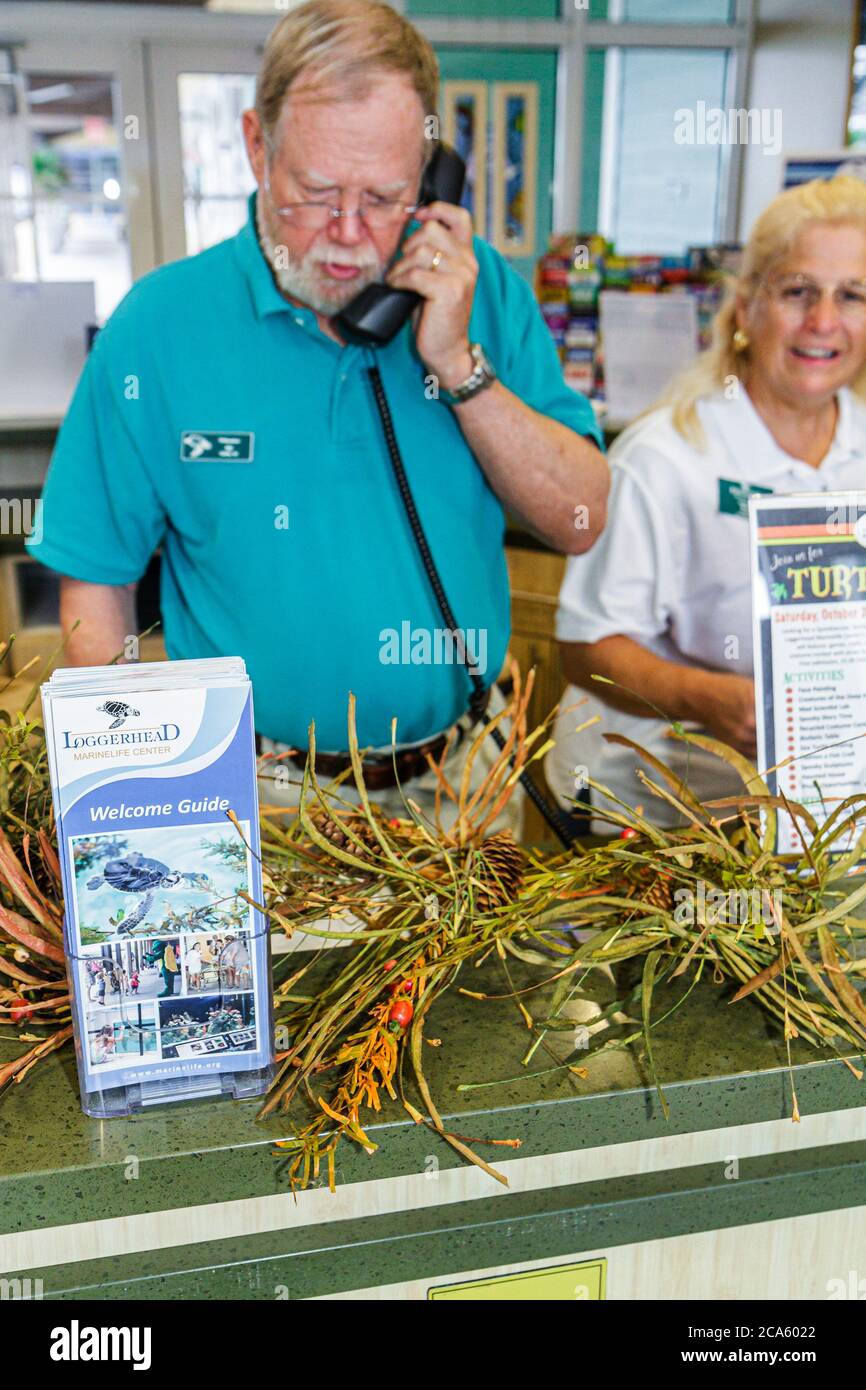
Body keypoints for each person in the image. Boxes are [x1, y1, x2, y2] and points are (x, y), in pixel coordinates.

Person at [26, 0, 607, 842]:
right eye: (316, 191)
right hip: (257, 799)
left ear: (433, 175)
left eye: (384, 197)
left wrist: (456, 363)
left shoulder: (489, 295)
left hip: (464, 787)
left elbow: (581, 516)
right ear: (257, 145)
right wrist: (137, 791)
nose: (346, 236)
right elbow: (94, 578)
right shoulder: (158, 328)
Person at [546, 175, 866, 831]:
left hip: (804, 809)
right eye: (798, 291)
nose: (824, 321)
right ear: (746, 309)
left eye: (852, 295)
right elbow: (585, 646)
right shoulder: (667, 457)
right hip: (641, 806)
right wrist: (711, 700)